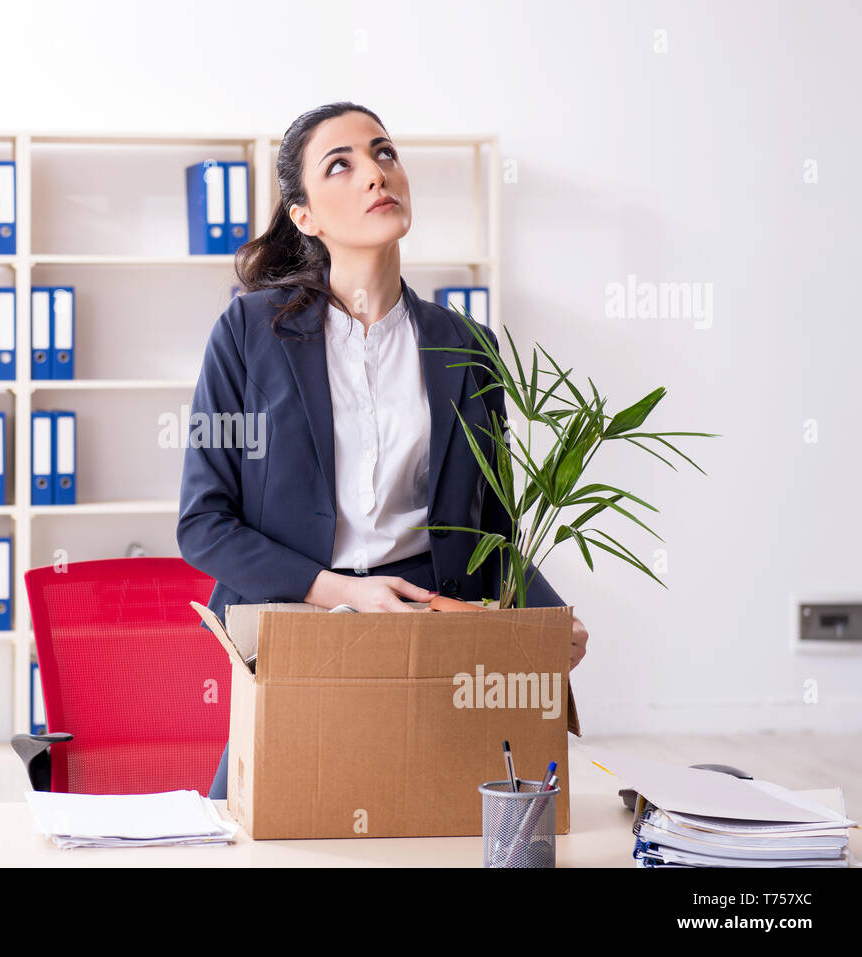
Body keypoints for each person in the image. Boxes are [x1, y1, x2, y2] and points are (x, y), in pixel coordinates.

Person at [177, 102, 590, 801]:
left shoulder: (468, 349)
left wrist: (546, 617)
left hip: (433, 641)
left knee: (449, 827)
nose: (375, 174)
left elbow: (490, 529)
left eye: (385, 153)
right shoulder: (248, 334)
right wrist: (345, 593)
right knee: (262, 832)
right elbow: (203, 524)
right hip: (296, 630)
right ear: (304, 215)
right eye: (342, 165)